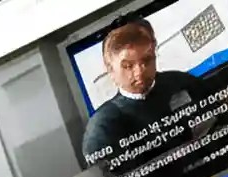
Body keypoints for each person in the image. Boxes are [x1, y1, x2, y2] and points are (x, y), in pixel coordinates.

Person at [82, 18, 206, 163]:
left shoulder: (182, 82)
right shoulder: (102, 126)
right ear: (110, 70)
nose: (139, 72)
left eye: (146, 61)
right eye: (128, 66)